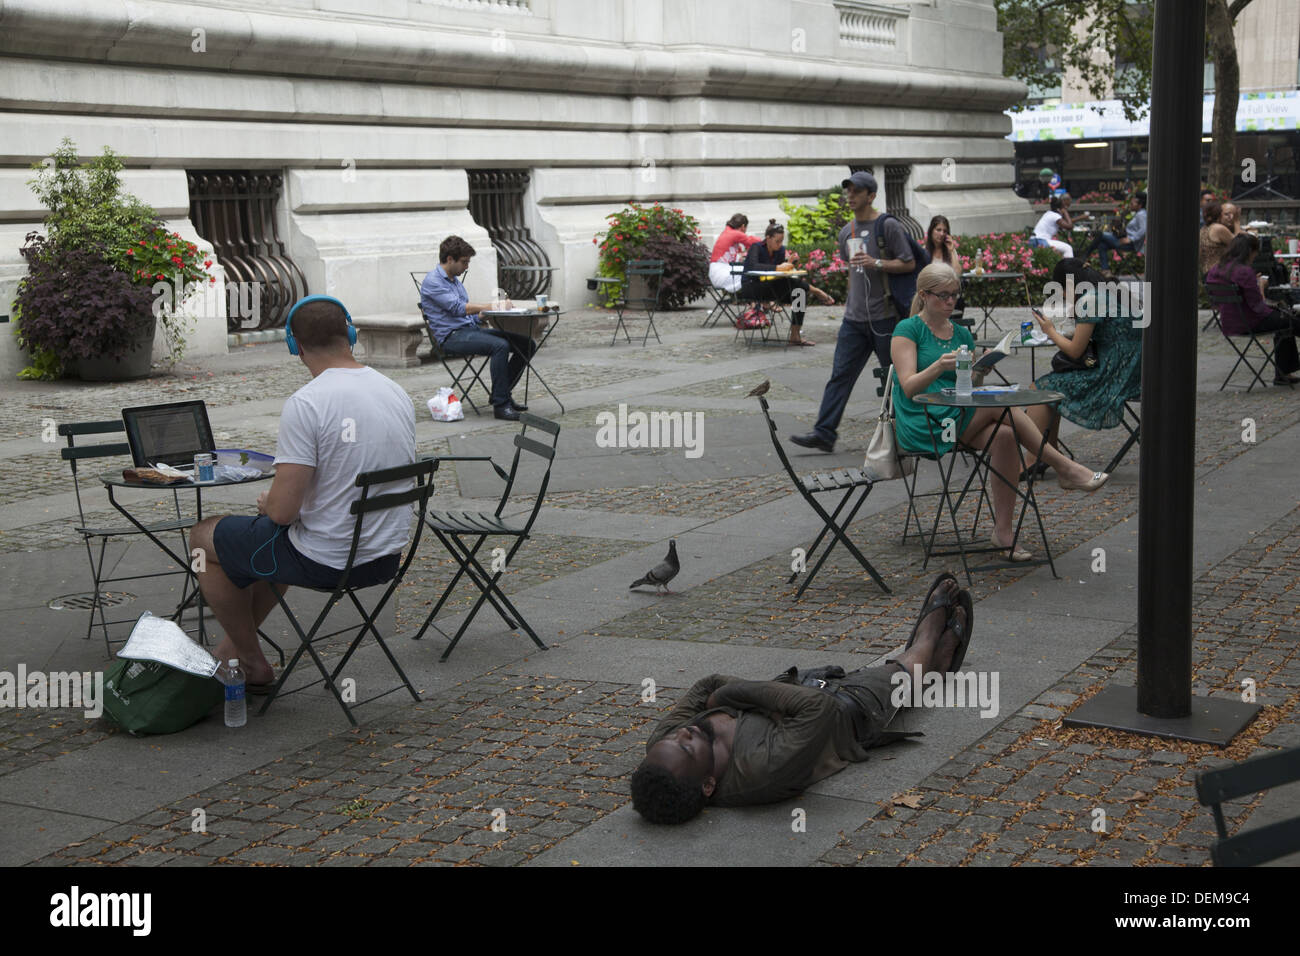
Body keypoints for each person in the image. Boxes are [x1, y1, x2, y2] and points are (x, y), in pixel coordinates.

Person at [187, 296, 417, 689]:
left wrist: (269, 502)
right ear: (351, 334)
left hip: (329, 560)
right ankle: (230, 650)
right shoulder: (394, 391)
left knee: (202, 540)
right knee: (267, 545)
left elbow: (281, 513)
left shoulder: (307, 403)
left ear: (295, 346)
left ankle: (251, 662)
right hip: (384, 555)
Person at [630, 576, 972, 823]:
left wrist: (728, 693)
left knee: (852, 681)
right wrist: (730, 695)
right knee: (905, 665)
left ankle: (927, 669)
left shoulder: (663, 746)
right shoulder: (760, 770)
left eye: (676, 735)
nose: (684, 733)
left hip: (803, 686)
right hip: (848, 714)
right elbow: (818, 709)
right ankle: (926, 658)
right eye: (687, 746)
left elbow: (707, 682)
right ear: (708, 785)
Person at [891, 263, 1110, 562]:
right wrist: (938, 366)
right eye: (943, 296)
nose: (950, 301)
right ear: (924, 295)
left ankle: (1003, 532)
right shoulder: (908, 329)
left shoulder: (961, 333)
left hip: (958, 413)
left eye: (955, 295)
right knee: (1003, 407)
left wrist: (980, 370)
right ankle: (1064, 466)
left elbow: (967, 385)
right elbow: (907, 387)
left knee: (1006, 435)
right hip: (924, 418)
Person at [789, 171, 916, 452]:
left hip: (885, 317)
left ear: (871, 196)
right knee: (840, 374)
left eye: (857, 192)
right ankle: (824, 432)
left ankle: (909, 431)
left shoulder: (889, 226)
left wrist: (877, 263)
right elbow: (852, 270)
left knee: (894, 377)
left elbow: (907, 263)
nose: (851, 196)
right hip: (854, 320)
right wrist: (850, 301)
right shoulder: (846, 231)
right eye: (849, 191)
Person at [1024, 259, 1144, 456]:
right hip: (1135, 374)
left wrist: (1050, 331)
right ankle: (1049, 454)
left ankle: (1037, 458)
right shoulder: (1113, 291)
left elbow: (1074, 351)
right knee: (1051, 385)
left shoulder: (1091, 300)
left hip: (1112, 378)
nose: (1063, 297)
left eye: (1062, 291)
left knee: (1040, 389)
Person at [420, 235, 534, 421]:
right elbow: (457, 308)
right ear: (450, 259)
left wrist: (486, 314)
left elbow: (467, 314)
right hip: (451, 337)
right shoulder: (433, 281)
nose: (467, 267)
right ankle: (501, 404)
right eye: (464, 262)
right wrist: (492, 306)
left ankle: (501, 391)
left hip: (468, 330)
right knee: (499, 346)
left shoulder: (454, 281)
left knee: (527, 344)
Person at [1206, 233, 1300, 385]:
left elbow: (1216, 301)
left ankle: (1284, 373)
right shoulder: (1244, 271)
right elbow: (1259, 306)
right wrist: (1260, 286)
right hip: (1250, 322)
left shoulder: (1215, 270)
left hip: (1230, 322)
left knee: (1286, 323)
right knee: (1291, 321)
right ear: (1250, 251)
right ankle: (1283, 373)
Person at [739, 220, 833, 347]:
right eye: (777, 241)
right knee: (789, 282)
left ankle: (795, 335)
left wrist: (788, 264)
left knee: (799, 293)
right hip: (752, 287)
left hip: (772, 287)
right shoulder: (756, 247)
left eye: (781, 241)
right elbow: (754, 266)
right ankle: (816, 291)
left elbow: (779, 276)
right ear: (768, 238)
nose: (780, 244)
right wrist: (779, 268)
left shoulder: (780, 250)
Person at [1080, 190, 1146, 271]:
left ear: (1140, 205)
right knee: (1102, 245)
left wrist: (1131, 239)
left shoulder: (1141, 215)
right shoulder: (1139, 214)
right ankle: (1105, 271)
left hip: (1130, 245)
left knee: (1100, 234)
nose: (1130, 205)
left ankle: (1085, 255)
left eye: (1132, 204)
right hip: (1123, 240)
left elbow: (1143, 229)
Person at [709, 213, 761, 293]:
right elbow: (753, 242)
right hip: (722, 272)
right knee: (753, 272)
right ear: (743, 226)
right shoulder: (735, 234)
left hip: (717, 272)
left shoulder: (727, 232)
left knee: (751, 273)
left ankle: (753, 303)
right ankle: (762, 302)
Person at [1199, 201, 1233, 278]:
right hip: (1219, 274)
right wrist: (1236, 222)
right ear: (1220, 214)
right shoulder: (1218, 228)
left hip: (1206, 273)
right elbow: (1239, 245)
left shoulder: (1203, 229)